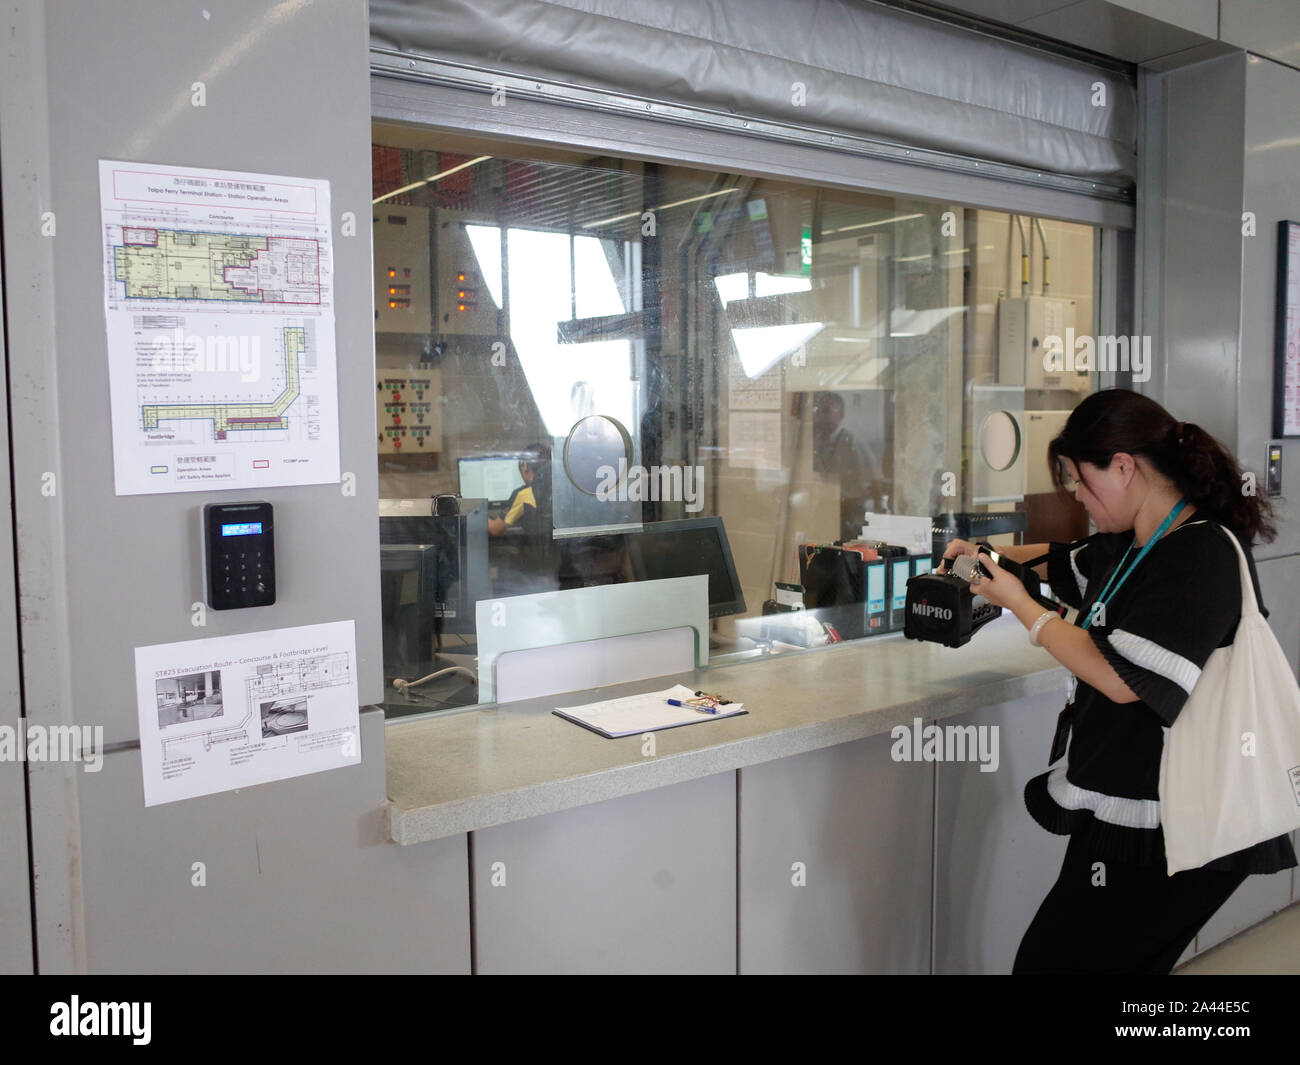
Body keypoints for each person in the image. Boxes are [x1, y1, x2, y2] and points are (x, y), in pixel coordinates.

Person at [939, 388, 1296, 974]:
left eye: (1081, 480)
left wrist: (1027, 611)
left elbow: (1123, 677)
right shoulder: (1132, 546)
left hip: (1185, 826)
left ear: (1124, 467)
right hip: (1129, 813)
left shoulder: (1197, 555)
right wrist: (980, 558)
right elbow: (1057, 561)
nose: (1078, 496)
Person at [487, 444, 551, 538]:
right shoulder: (557, 488)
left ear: (524, 467)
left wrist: (478, 516)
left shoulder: (525, 494)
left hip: (538, 550)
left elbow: (495, 529)